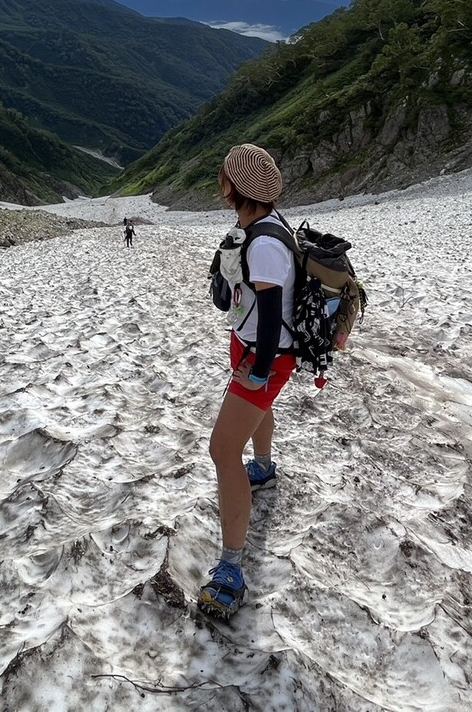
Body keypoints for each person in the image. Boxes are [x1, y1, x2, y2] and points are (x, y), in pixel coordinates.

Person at [198, 143, 296, 619]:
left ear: (235, 187)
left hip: (267, 354)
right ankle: (264, 465)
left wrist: (258, 372)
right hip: (255, 344)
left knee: (221, 450)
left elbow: (275, 314)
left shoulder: (264, 244)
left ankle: (231, 570)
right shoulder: (261, 227)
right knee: (257, 416)